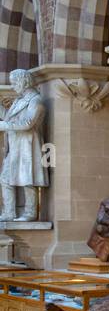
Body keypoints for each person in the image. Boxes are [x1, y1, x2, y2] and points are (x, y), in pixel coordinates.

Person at [0, 69, 48, 221]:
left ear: (23, 82)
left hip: (28, 145)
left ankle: (30, 213)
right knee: (5, 179)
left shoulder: (36, 100)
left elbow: (28, 123)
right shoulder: (18, 100)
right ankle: (9, 212)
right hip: (15, 146)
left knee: (28, 179)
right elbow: (7, 118)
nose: (13, 87)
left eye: (14, 83)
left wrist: (3, 126)